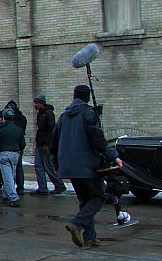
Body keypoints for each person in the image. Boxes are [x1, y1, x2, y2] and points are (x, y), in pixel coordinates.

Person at [51, 85, 122, 248]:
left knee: (85, 200)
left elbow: (54, 142)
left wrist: (56, 163)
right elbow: (98, 140)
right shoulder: (88, 113)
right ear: (87, 97)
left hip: (69, 165)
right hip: (87, 165)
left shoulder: (63, 116)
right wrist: (114, 157)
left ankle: (90, 237)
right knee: (98, 197)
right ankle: (77, 224)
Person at [31, 94, 67, 195]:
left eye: (37, 103)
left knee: (48, 166)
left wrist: (47, 143)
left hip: (45, 144)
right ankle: (42, 188)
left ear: (42, 103)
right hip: (40, 143)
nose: (35, 105)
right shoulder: (41, 113)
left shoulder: (48, 114)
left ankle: (59, 185)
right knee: (38, 166)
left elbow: (51, 130)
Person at [0, 108, 25, 207]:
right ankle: (6, 195)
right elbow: (22, 144)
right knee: (12, 175)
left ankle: (13, 197)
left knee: (7, 177)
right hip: (15, 153)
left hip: (4, 153)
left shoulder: (0, 129)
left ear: (4, 117)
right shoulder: (18, 129)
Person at [5, 100, 28, 195]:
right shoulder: (22, 118)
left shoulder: (7, 121)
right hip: (17, 145)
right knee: (18, 168)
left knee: (8, 169)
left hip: (8, 146)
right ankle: (20, 187)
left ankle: (10, 190)